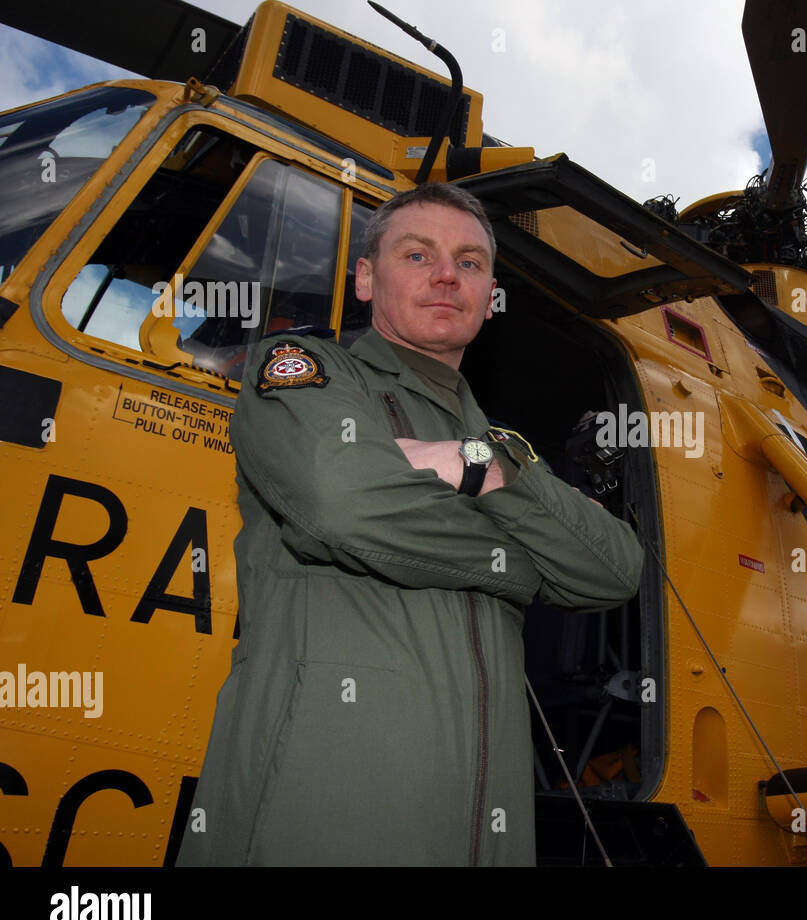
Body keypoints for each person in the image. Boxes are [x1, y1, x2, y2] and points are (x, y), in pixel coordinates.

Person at [179, 182, 644, 866]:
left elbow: (616, 568)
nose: (447, 275)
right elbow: (343, 502)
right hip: (323, 819)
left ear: (490, 294)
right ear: (366, 278)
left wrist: (474, 460)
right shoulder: (309, 374)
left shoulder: (503, 446)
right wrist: (521, 568)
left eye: (471, 262)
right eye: (417, 254)